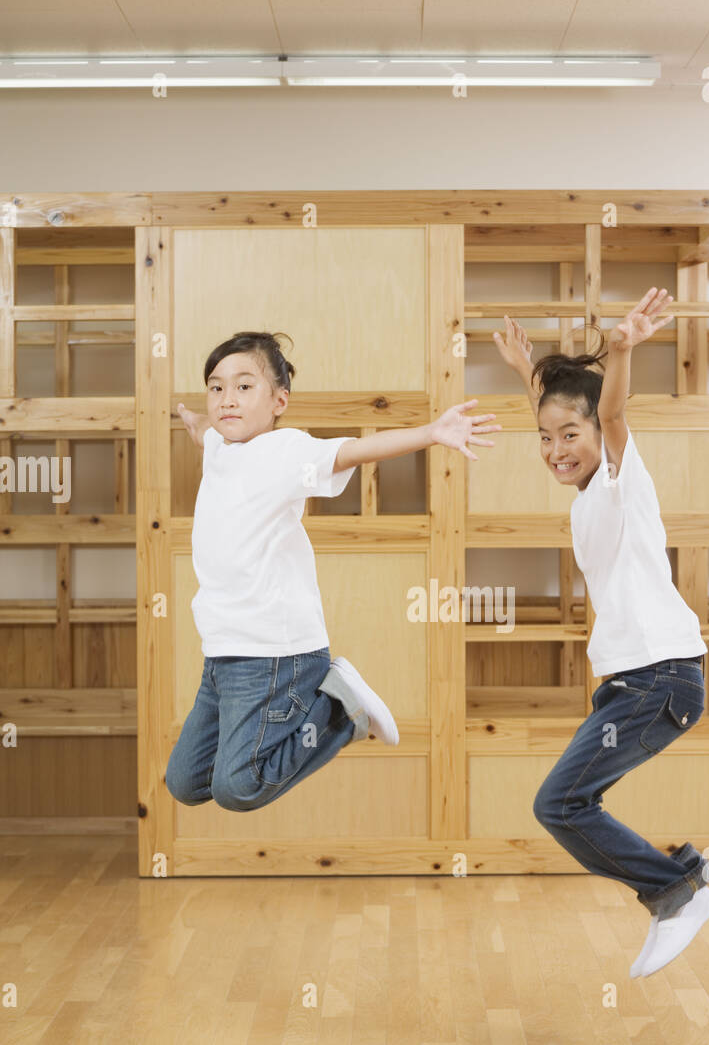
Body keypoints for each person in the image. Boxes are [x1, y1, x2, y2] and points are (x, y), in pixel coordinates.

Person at [165, 329, 499, 812]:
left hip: (273, 652)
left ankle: (339, 710)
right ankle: (332, 708)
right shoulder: (219, 444)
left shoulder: (285, 451)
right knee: (185, 782)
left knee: (237, 788)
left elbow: (352, 452)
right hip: (221, 651)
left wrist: (431, 433)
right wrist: (191, 417)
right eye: (216, 388)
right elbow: (203, 430)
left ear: (279, 401)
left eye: (244, 386)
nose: (226, 399)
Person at [493, 291, 709, 978]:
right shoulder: (591, 490)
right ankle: (679, 882)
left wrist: (620, 350)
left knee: (560, 804)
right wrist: (527, 371)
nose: (555, 450)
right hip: (635, 683)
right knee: (565, 804)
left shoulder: (624, 479)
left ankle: (677, 893)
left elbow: (612, 413)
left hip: (660, 678)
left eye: (571, 436)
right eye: (545, 438)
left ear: (600, 434)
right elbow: (566, 412)